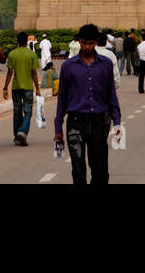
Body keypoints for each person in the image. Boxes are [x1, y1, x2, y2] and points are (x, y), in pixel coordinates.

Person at [54, 24, 122, 185]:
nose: (86, 47)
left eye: (90, 43)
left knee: (100, 171)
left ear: (96, 42)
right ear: (78, 41)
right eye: (83, 43)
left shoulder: (105, 64)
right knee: (78, 170)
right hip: (75, 122)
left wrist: (118, 123)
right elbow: (62, 97)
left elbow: (111, 94)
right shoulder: (68, 66)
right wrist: (58, 128)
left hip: (99, 121)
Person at [3, 30, 41, 146]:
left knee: (17, 111)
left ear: (17, 41)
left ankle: (16, 137)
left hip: (16, 86)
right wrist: (37, 88)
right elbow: (33, 73)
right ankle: (22, 131)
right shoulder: (32, 54)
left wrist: (5, 87)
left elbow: (9, 72)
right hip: (28, 86)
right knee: (28, 111)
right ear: (27, 41)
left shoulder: (12, 54)